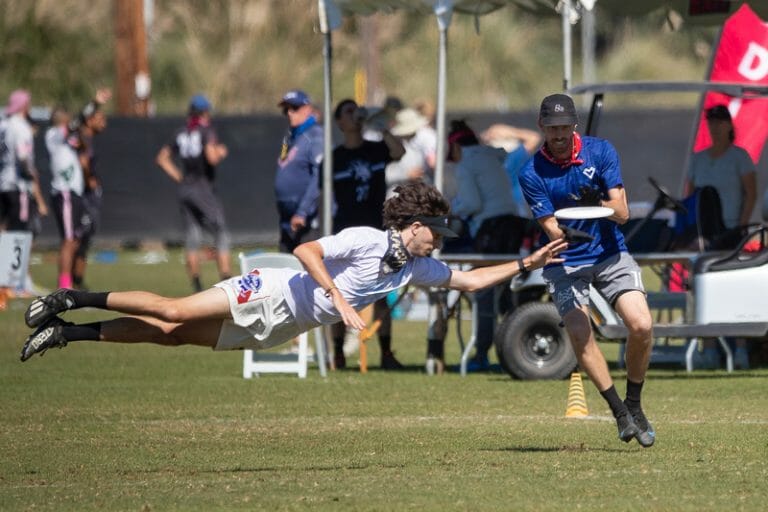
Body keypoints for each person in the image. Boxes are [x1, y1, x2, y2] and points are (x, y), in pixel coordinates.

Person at [20, 182, 567, 367]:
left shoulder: (417, 265)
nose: (437, 243)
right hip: (272, 291)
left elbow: (469, 281)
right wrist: (338, 297)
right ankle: (70, 297)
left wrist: (526, 263)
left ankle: (66, 334)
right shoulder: (366, 239)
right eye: (435, 233)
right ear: (417, 224)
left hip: (281, 327)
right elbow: (305, 250)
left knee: (174, 338)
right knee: (172, 309)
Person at [518, 93, 655, 447]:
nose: (559, 134)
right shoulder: (531, 172)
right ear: (541, 127)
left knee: (641, 325)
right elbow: (551, 228)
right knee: (580, 332)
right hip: (566, 260)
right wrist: (570, 226)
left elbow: (622, 214)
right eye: (552, 128)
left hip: (610, 253)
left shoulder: (601, 151)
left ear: (574, 125)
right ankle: (619, 414)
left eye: (565, 127)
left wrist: (599, 204)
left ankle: (635, 405)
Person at [440, 119, 529, 372]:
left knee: (485, 293)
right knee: (506, 294)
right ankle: (512, 351)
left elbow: (472, 204)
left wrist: (452, 209)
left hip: (492, 231)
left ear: (455, 146)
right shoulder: (490, 156)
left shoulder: (466, 164)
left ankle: (481, 354)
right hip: (512, 226)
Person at [329, 98, 405, 370]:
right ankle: (337, 353)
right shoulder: (334, 158)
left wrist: (381, 127)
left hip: (376, 231)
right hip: (344, 234)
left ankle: (386, 353)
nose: (356, 115)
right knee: (340, 292)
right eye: (349, 112)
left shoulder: (375, 149)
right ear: (340, 122)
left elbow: (399, 152)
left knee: (382, 292)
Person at [683, 104, 756, 369]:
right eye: (710, 122)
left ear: (728, 125)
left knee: (734, 289)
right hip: (706, 232)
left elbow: (751, 192)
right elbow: (690, 197)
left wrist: (743, 226)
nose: (714, 127)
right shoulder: (699, 159)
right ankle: (709, 347)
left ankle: (740, 348)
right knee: (702, 286)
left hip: (732, 230)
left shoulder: (739, 157)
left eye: (719, 122)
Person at [156, 94, 231, 292]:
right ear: (205, 113)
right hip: (202, 188)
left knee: (193, 236)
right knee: (220, 230)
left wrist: (179, 177)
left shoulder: (181, 132)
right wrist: (221, 151)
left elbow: (162, 158)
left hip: (186, 189)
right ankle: (227, 280)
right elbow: (212, 158)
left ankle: (197, 285)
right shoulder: (206, 131)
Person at [1, 89, 48, 303]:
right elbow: (23, 158)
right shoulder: (21, 128)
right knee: (19, 233)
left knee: (7, 231)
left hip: (4, 183)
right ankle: (15, 283)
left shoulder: (4, 125)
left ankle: (11, 281)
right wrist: (32, 175)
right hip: (18, 185)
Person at [45, 106, 90, 290]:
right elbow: (74, 124)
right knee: (69, 240)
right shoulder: (54, 135)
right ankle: (64, 285)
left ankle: (69, 280)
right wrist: (94, 103)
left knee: (75, 239)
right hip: (65, 193)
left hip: (74, 193)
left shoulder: (68, 140)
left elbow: (81, 144)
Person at [274, 89, 323, 253]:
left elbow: (319, 177)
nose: (289, 113)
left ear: (307, 108)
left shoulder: (315, 136)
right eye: (285, 110)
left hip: (307, 219)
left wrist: (303, 211)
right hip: (287, 218)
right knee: (284, 270)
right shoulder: (290, 137)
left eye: (294, 108)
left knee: (307, 269)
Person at [73, 88, 111, 290]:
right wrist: (89, 181)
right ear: (89, 120)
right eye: (100, 117)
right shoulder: (83, 138)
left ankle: (78, 282)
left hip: (90, 197)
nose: (103, 121)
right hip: (85, 197)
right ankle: (72, 282)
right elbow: (84, 162)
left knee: (85, 240)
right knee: (79, 239)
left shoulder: (88, 139)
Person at [480, 122, 542, 218]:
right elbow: (534, 138)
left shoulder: (488, 157)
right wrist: (510, 131)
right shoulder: (516, 155)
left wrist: (491, 132)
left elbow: (481, 139)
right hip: (516, 204)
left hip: (495, 205)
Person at [385, 108, 437, 197]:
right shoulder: (391, 146)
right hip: (396, 196)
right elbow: (385, 174)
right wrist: (407, 175)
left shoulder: (417, 144)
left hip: (415, 195)